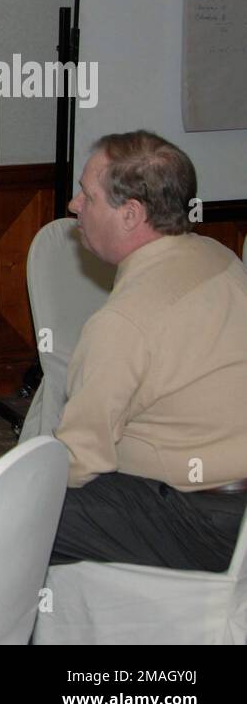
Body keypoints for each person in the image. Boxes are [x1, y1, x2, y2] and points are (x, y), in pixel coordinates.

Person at [51, 131, 247, 572]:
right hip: (230, 497)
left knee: (16, 516)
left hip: (209, 519)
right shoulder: (217, 255)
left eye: (87, 195)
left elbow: (80, 461)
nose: (74, 206)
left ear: (130, 214)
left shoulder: (122, 324)